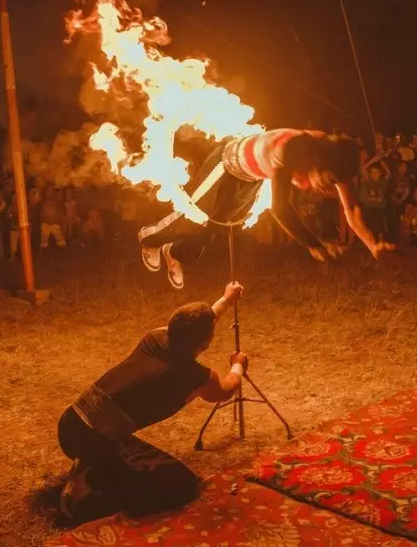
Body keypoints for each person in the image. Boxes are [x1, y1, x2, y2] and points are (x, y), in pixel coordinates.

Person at [57, 283, 248, 519]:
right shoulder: (197, 376)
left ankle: (88, 464)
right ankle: (87, 490)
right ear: (206, 341)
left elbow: (195, 325)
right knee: (183, 484)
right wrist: (237, 364)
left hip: (69, 424)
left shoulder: (155, 337)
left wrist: (226, 300)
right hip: (94, 439)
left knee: (112, 439)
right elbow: (225, 390)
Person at [137, 130, 385, 289]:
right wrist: (315, 245)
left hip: (252, 177)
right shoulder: (294, 150)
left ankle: (174, 252)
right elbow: (280, 209)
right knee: (192, 214)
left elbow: (351, 207)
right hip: (227, 164)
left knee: (214, 228)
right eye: (329, 180)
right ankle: (149, 237)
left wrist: (374, 245)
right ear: (317, 163)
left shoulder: (337, 158)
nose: (328, 187)